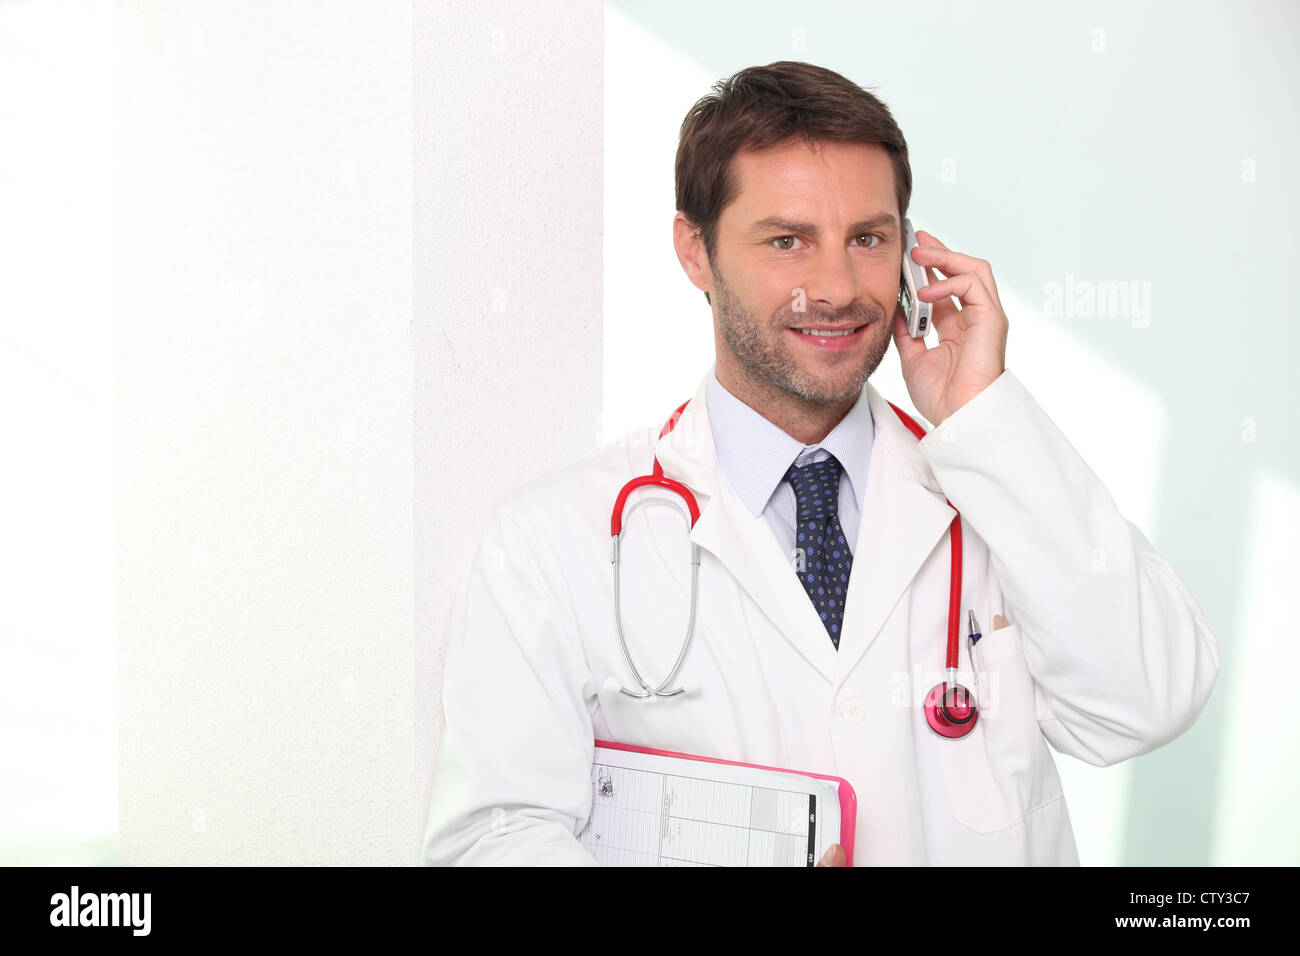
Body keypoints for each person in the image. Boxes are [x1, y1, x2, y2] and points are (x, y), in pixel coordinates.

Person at [421, 61, 1219, 866]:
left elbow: (1148, 701)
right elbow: (494, 839)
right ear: (695, 251)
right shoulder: (553, 541)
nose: (835, 288)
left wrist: (984, 416)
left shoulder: (996, 480)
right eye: (787, 241)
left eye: (868, 239)